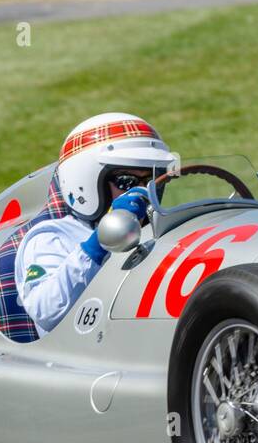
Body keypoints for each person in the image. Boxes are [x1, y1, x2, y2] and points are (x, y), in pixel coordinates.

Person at [13, 114, 170, 337]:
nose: (145, 191)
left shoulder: (158, 228)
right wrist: (99, 243)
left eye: (152, 181)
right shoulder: (51, 237)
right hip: (82, 359)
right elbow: (46, 310)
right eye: (127, 182)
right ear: (86, 183)